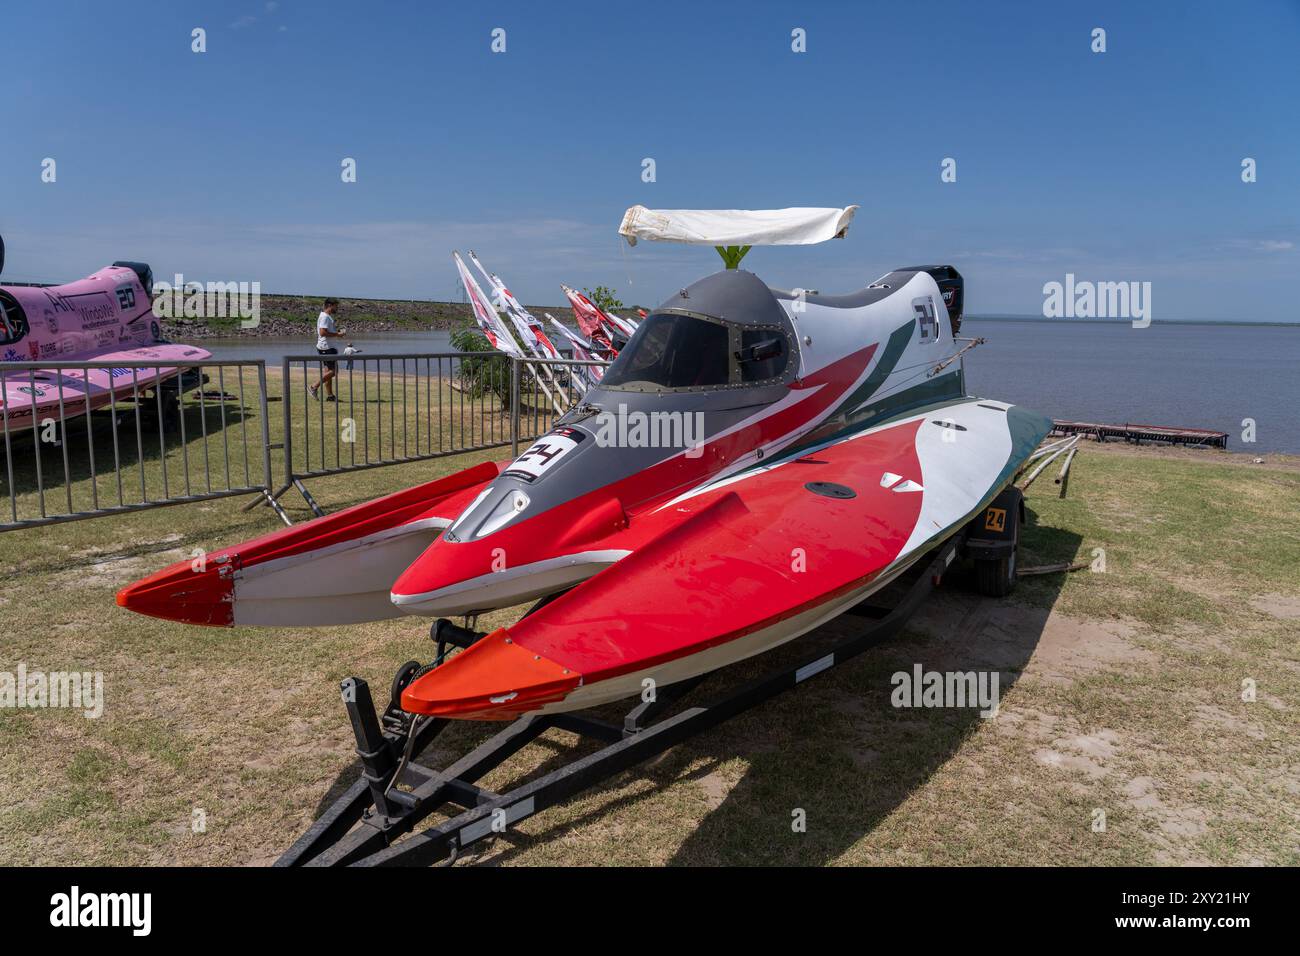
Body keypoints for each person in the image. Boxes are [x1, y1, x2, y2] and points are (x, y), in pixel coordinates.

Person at [309, 298, 345, 400]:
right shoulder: (325, 317)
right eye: (336, 306)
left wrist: (336, 332)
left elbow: (326, 331)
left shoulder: (325, 316)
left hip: (325, 347)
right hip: (327, 348)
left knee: (328, 372)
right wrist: (337, 334)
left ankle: (330, 396)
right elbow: (322, 332)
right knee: (334, 371)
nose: (337, 308)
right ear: (330, 305)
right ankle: (314, 387)